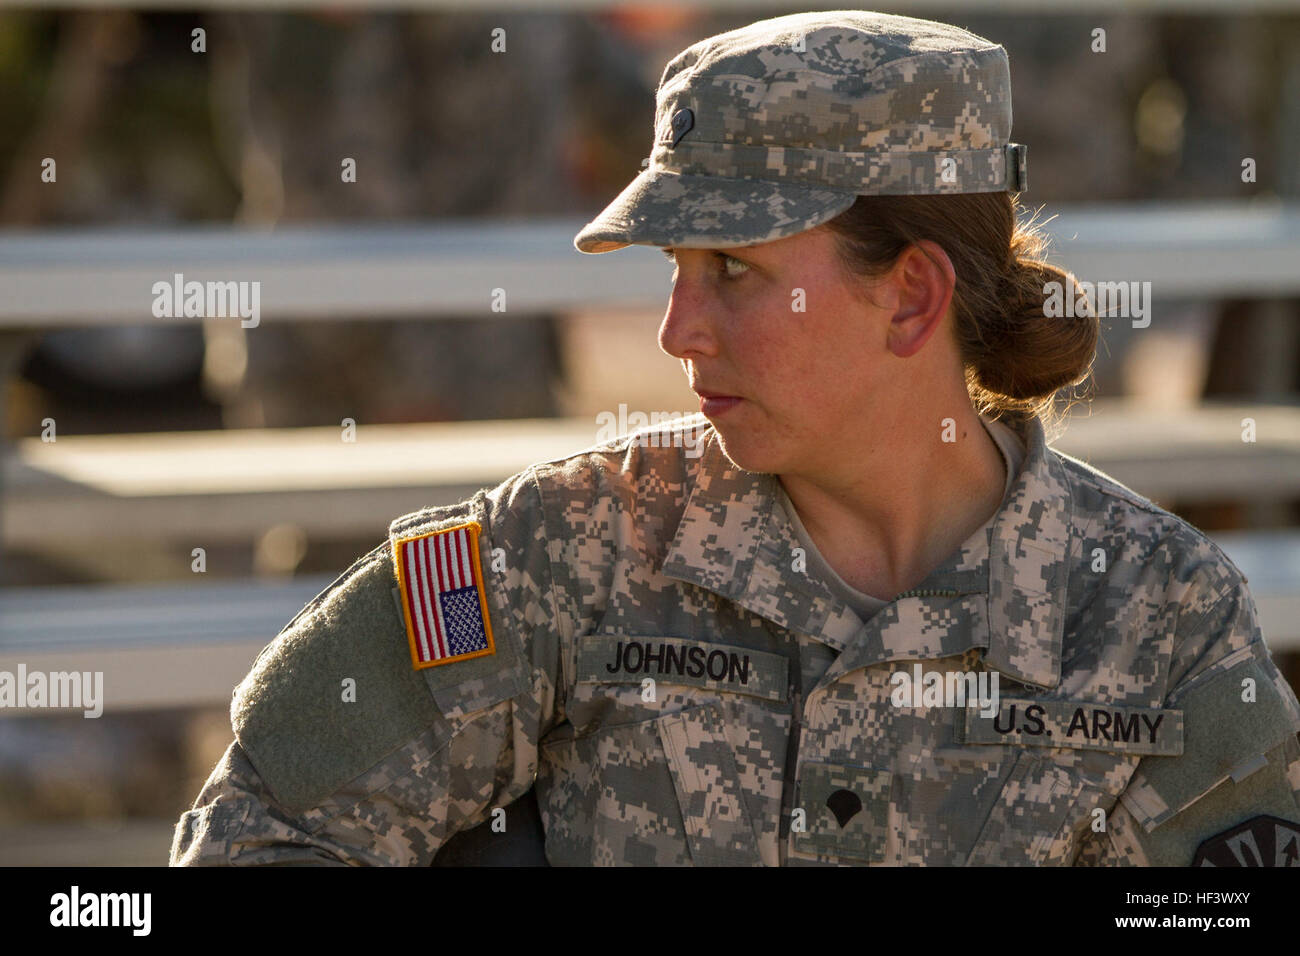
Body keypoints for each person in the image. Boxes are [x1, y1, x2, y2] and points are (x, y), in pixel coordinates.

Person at [171, 9, 1300, 867]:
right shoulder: (563, 553)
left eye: (733, 272)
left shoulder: (1161, 618)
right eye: (676, 270)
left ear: (909, 297)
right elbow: (260, 826)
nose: (676, 330)